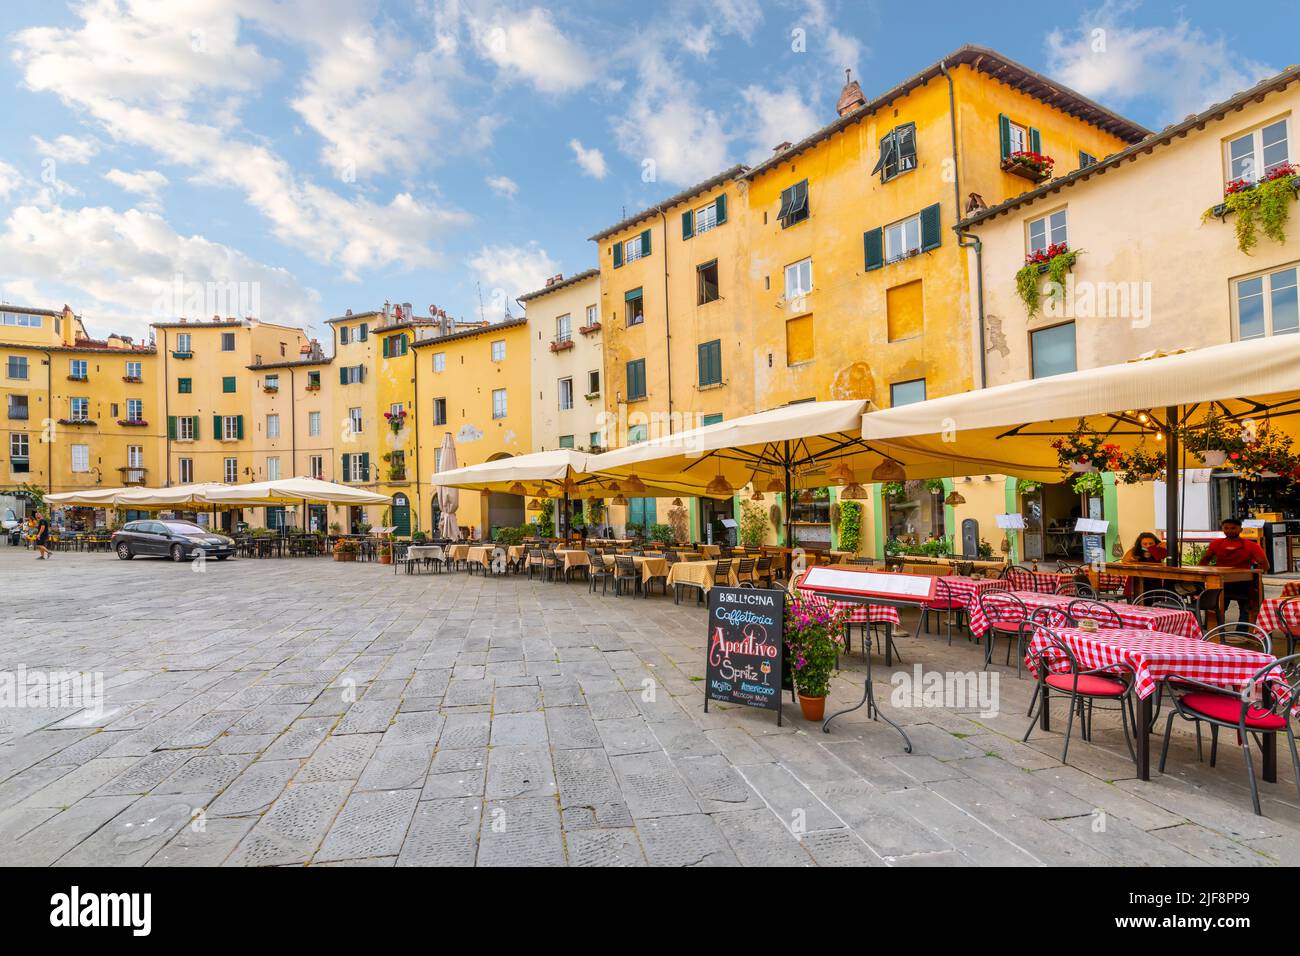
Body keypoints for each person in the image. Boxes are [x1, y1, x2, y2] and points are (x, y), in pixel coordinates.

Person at [1199, 517, 1268, 622]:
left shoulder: (1251, 546)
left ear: (1241, 530)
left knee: (1247, 608)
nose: (1229, 531)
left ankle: (1242, 632)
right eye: (1226, 528)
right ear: (1223, 529)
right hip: (1220, 582)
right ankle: (1216, 630)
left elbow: (1264, 564)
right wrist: (1200, 573)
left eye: (1233, 528)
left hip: (1244, 583)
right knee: (1215, 606)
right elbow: (1205, 559)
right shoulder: (1216, 544)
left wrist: (1256, 573)